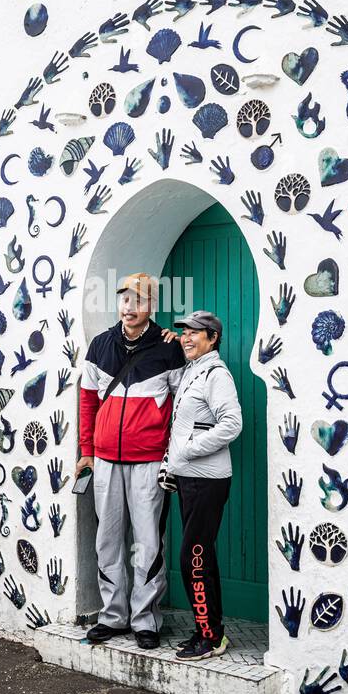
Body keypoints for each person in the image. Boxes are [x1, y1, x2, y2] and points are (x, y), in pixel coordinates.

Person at [76, 273, 185, 649]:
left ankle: (146, 621)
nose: (129, 307)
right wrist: (86, 451)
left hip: (150, 460)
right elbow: (88, 401)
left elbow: (182, 407)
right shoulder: (100, 346)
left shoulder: (169, 348)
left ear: (151, 306)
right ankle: (113, 615)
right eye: (124, 300)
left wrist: (172, 455)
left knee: (147, 541)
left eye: (138, 301)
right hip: (105, 458)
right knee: (107, 539)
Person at [162, 310, 243, 661]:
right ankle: (206, 628)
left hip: (207, 479)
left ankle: (211, 637)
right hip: (191, 478)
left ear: (212, 338)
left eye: (195, 332)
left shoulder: (216, 374)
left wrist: (188, 452)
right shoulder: (193, 371)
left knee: (193, 558)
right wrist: (173, 464)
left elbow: (231, 424)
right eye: (184, 332)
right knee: (201, 557)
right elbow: (182, 425)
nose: (187, 337)